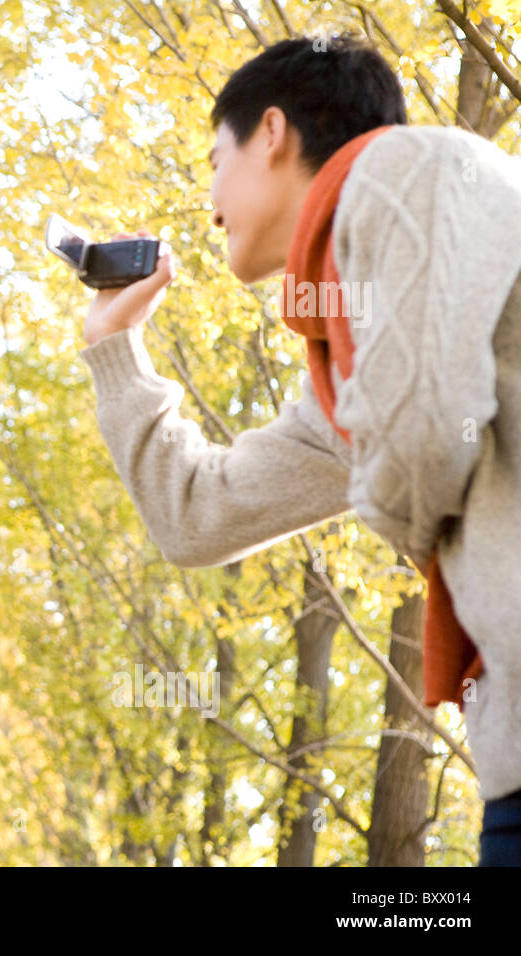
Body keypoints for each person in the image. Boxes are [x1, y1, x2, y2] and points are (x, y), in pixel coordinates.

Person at [78, 35, 521, 865]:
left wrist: (385, 493)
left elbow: (422, 439)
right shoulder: (353, 365)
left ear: (272, 133)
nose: (210, 202)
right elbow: (198, 519)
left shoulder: (405, 172)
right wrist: (114, 348)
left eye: (217, 160)